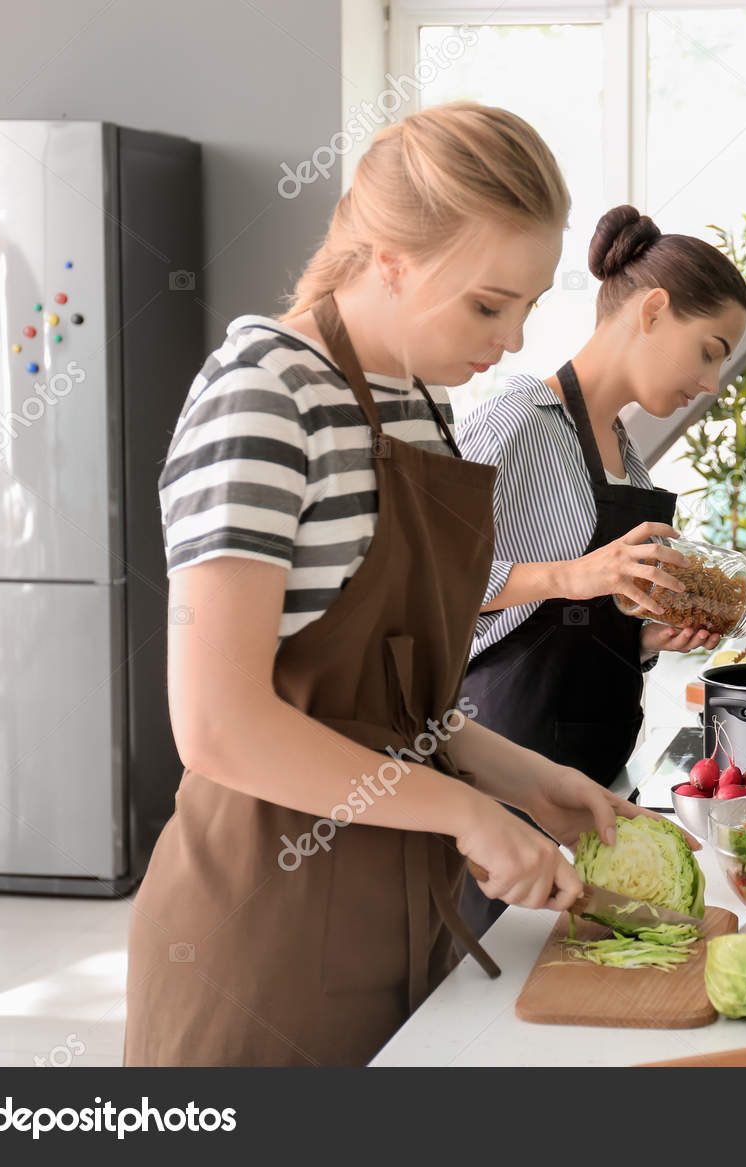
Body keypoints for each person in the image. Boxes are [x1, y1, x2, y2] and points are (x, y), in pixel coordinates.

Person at [124, 106, 690, 1067]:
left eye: (526, 306)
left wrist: (528, 780)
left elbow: (388, 706)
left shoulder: (419, 404)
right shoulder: (264, 393)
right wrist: (465, 812)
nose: (511, 341)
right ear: (385, 256)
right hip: (266, 937)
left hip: (406, 917)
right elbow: (219, 725)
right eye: (484, 305)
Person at [457, 205, 746, 789]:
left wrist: (638, 641)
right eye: (710, 351)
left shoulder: (632, 463)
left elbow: (567, 628)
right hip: (504, 777)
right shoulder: (511, 425)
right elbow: (428, 587)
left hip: (600, 775)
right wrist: (573, 575)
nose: (712, 384)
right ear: (654, 311)